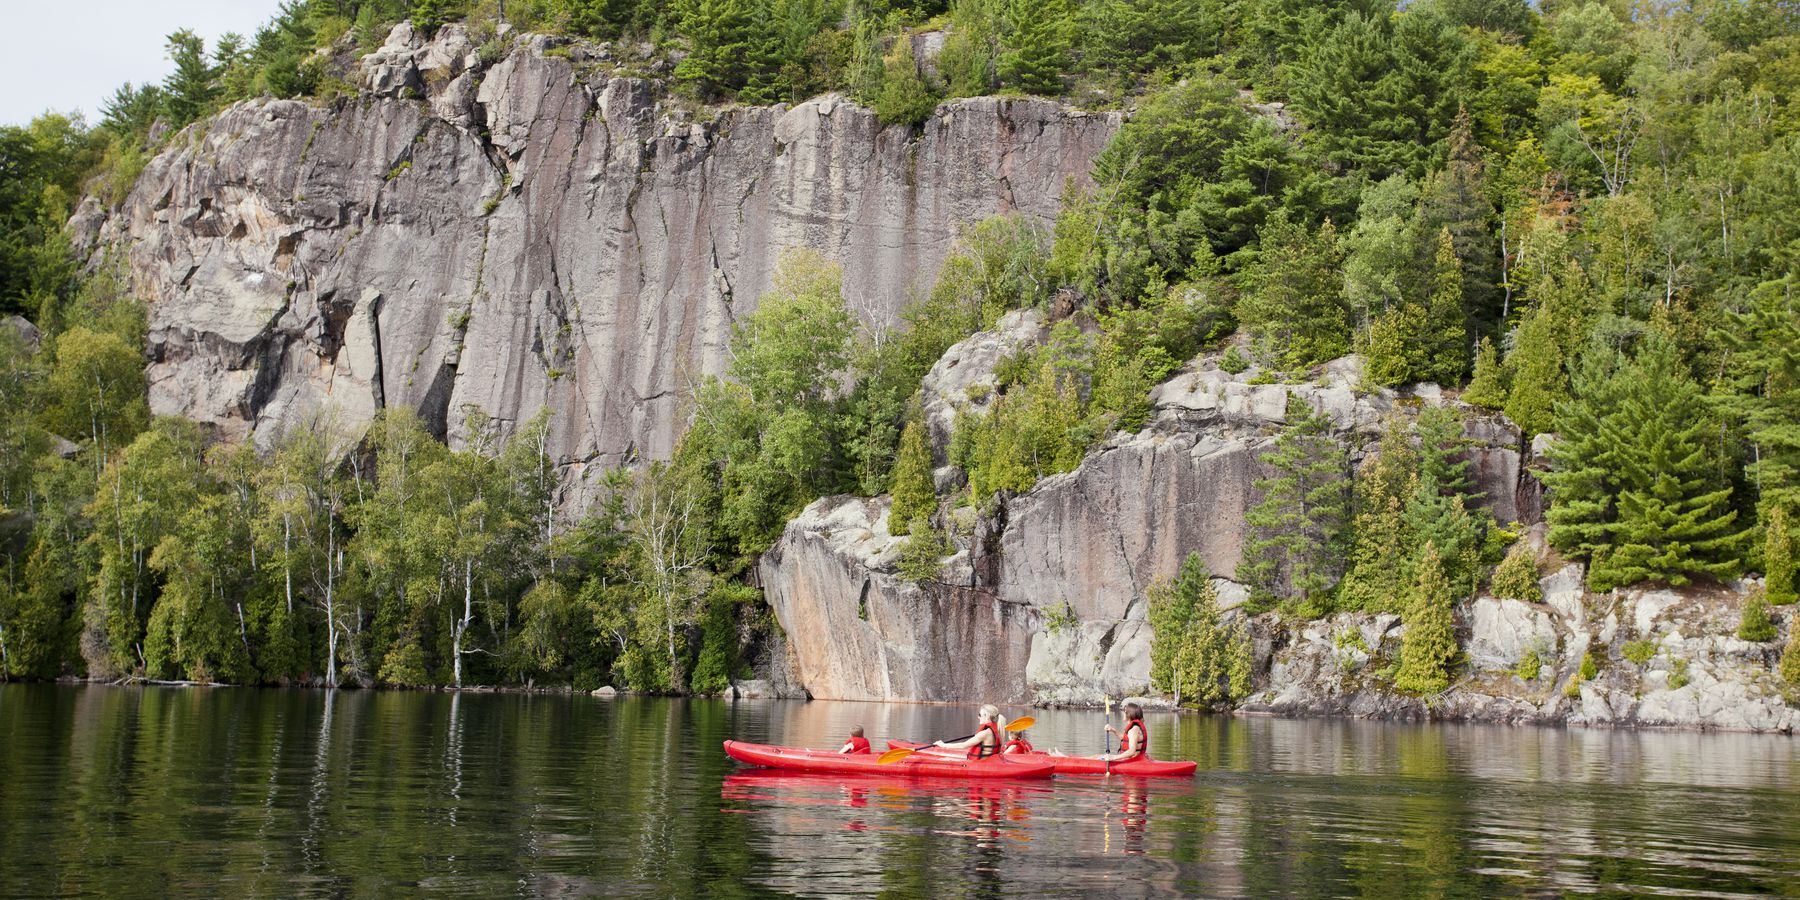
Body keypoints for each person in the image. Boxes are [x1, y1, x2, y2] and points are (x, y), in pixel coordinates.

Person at [934, 704, 1005, 758]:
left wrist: (943, 745)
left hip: (982, 763)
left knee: (947, 759)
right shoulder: (997, 728)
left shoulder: (985, 733)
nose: (978, 717)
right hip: (990, 761)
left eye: (979, 715)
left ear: (986, 715)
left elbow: (963, 746)